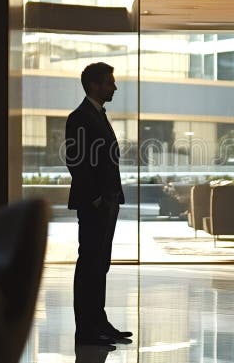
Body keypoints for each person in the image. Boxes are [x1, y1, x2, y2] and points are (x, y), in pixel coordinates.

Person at [66, 62, 132, 348]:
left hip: (107, 201)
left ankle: (98, 322)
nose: (114, 87)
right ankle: (87, 329)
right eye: (109, 83)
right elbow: (76, 161)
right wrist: (95, 199)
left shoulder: (97, 115)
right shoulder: (79, 117)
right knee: (90, 264)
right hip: (95, 204)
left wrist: (111, 197)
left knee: (100, 264)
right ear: (94, 85)